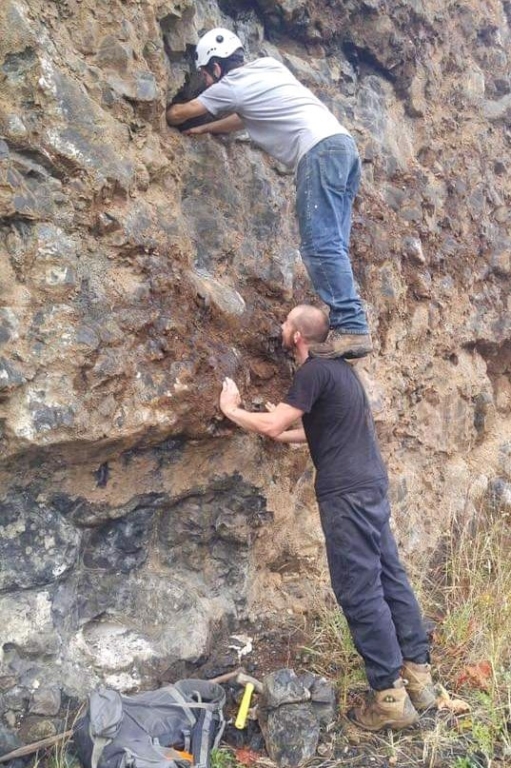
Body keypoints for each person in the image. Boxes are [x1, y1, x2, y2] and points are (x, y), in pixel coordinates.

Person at [218, 304, 436, 730]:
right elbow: (305, 429)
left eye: (285, 324)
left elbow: (273, 425)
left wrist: (233, 410)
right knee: (390, 577)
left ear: (297, 336)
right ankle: (418, 678)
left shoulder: (313, 372)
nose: (280, 328)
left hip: (347, 494)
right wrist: (274, 427)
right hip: (370, 486)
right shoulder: (341, 373)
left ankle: (389, 698)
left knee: (359, 589)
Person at [167, 28, 372, 360]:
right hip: (343, 149)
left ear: (216, 68)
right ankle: (348, 325)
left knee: (319, 246)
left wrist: (169, 112)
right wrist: (206, 128)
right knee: (333, 245)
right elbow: (242, 117)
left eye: (207, 75)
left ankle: (352, 328)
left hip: (317, 153)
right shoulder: (268, 68)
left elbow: (182, 112)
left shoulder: (230, 85)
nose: (208, 82)